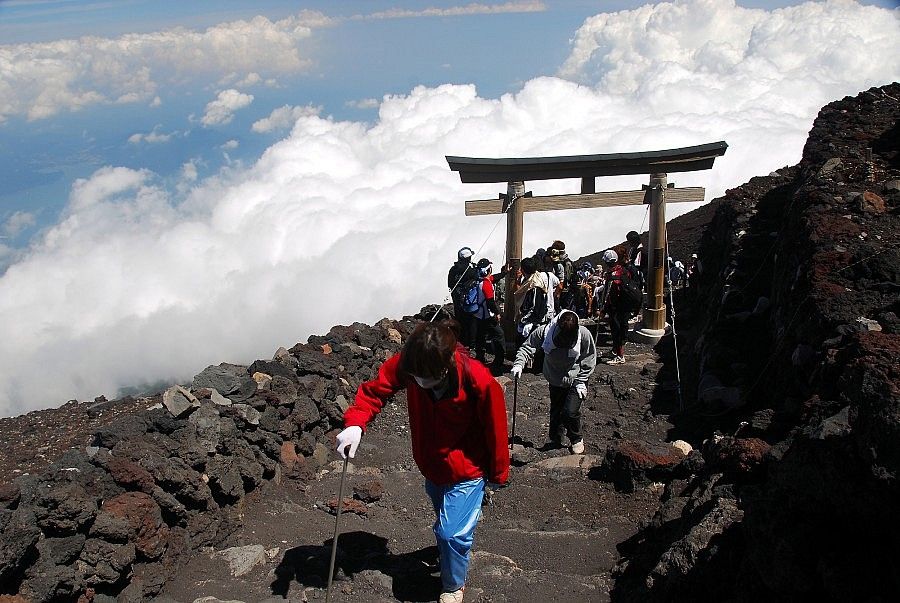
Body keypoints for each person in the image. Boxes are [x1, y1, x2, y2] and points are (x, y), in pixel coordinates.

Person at [336, 321, 510, 603]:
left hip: (467, 468)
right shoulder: (412, 362)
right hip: (431, 465)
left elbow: (496, 428)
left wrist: (498, 474)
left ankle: (453, 586)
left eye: (424, 377)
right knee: (445, 521)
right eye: (413, 376)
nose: (417, 382)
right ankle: (455, 540)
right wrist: (356, 424)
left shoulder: (477, 379)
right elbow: (375, 390)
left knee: (450, 533)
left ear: (444, 367)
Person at [510, 309, 596, 454]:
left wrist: (581, 380)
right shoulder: (545, 332)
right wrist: (519, 363)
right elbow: (528, 347)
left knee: (570, 411)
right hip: (554, 378)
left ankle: (576, 438)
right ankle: (555, 439)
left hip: (576, 379)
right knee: (556, 409)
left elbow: (589, 359)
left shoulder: (584, 334)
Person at [470, 258, 507, 374]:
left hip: (478, 315)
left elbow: (494, 278)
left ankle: (480, 357)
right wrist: (497, 313)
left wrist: (505, 272)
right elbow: (490, 302)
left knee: (481, 336)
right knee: (499, 335)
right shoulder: (486, 284)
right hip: (487, 316)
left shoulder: (479, 280)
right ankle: (499, 360)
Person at [514, 256, 559, 338]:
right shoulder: (535, 278)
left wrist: (524, 321)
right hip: (541, 317)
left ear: (523, 271)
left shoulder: (534, 285)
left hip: (534, 322)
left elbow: (535, 307)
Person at [598, 249, 629, 365]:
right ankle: (615, 351)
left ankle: (620, 356)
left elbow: (607, 296)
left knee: (616, 331)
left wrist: (603, 310)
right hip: (624, 306)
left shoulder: (612, 276)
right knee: (619, 329)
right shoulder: (623, 271)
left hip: (615, 308)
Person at [448, 247, 475, 346]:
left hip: (456, 298)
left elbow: (450, 284)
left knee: (459, 319)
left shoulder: (453, 269)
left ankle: (460, 340)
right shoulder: (470, 271)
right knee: (469, 321)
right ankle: (469, 342)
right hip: (468, 301)